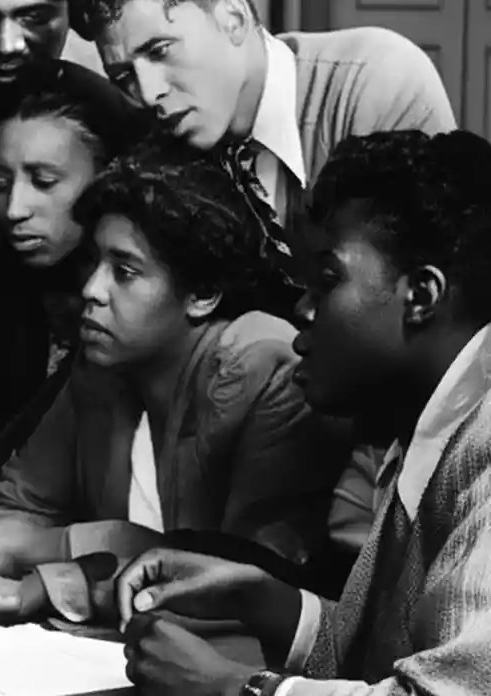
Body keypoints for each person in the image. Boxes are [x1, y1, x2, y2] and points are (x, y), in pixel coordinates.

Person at [113, 129, 491, 696]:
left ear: (421, 296)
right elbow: (389, 657)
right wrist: (260, 596)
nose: (303, 307)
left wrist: (234, 688)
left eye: (330, 279)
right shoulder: (428, 429)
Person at [0, 140, 346, 580]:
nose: (92, 289)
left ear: (203, 293)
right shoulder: (101, 368)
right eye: (94, 262)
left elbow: (250, 574)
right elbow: (15, 508)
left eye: (125, 272)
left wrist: (59, 552)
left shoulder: (265, 367)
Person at [71, 0, 457, 233]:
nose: (148, 93)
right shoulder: (157, 145)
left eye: (160, 50)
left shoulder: (376, 81)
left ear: (234, 19)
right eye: (123, 76)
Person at [0, 75, 151, 469]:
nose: (15, 208)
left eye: (43, 181)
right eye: (0, 184)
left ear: (107, 175)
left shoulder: (150, 307)